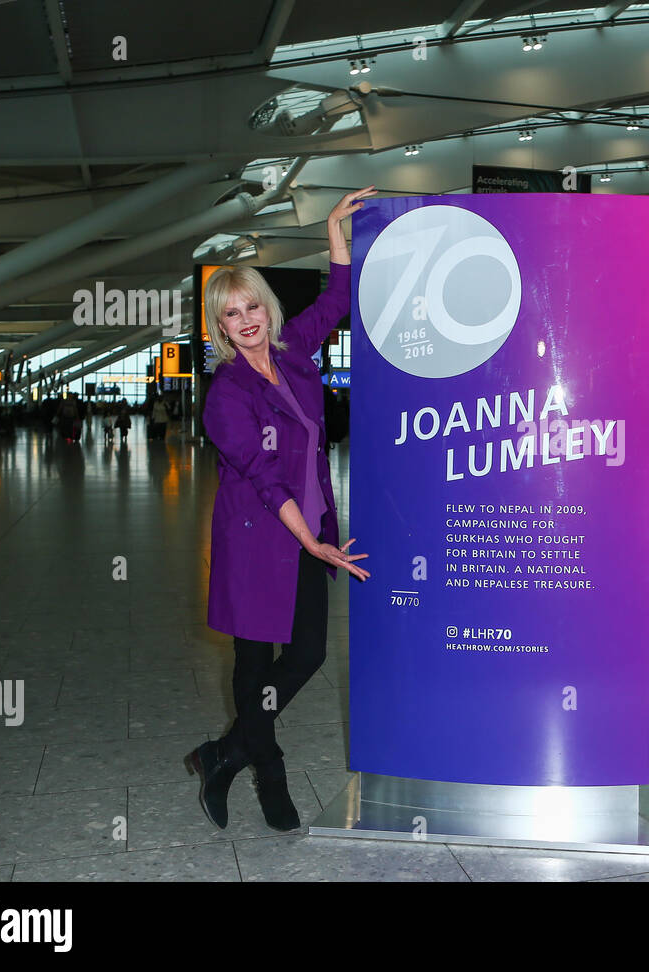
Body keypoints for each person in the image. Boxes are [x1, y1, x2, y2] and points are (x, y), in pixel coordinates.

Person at [187, 187, 376, 833]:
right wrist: (314, 544)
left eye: (251, 306)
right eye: (230, 313)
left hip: (310, 527)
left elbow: (338, 299)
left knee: (308, 656)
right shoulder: (226, 395)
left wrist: (334, 233)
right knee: (253, 661)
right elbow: (266, 480)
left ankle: (226, 752)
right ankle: (269, 769)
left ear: (267, 310)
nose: (245, 320)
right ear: (220, 327)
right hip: (257, 537)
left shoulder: (295, 349)